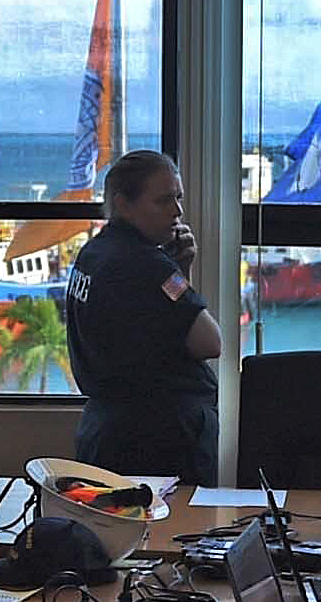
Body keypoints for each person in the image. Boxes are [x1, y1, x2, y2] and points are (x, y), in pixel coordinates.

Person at [58, 149, 223, 484]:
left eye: (178, 198)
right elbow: (209, 341)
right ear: (124, 205)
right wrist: (174, 272)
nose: (177, 211)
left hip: (106, 431)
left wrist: (179, 269)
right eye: (163, 201)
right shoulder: (148, 265)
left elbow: (158, 322)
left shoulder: (92, 254)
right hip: (159, 440)